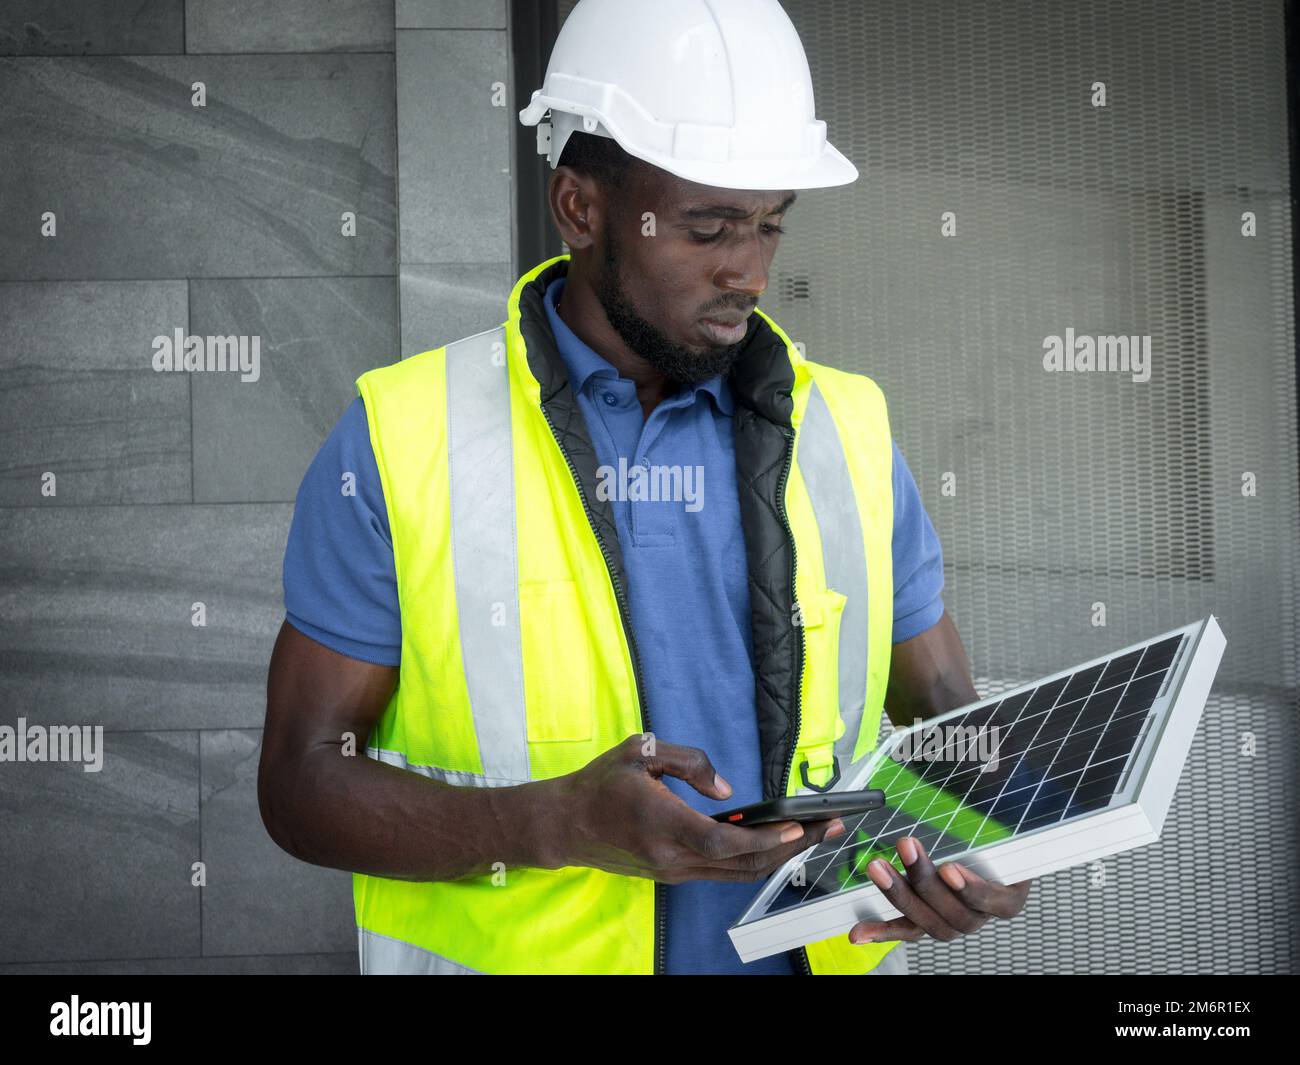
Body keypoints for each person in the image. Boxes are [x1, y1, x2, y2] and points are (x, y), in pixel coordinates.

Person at [258, 0, 1031, 975]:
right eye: (706, 227)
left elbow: (948, 708)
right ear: (581, 208)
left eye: (768, 226)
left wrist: (1003, 832)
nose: (746, 271)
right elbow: (297, 783)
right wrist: (552, 824)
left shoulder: (847, 428)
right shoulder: (401, 437)